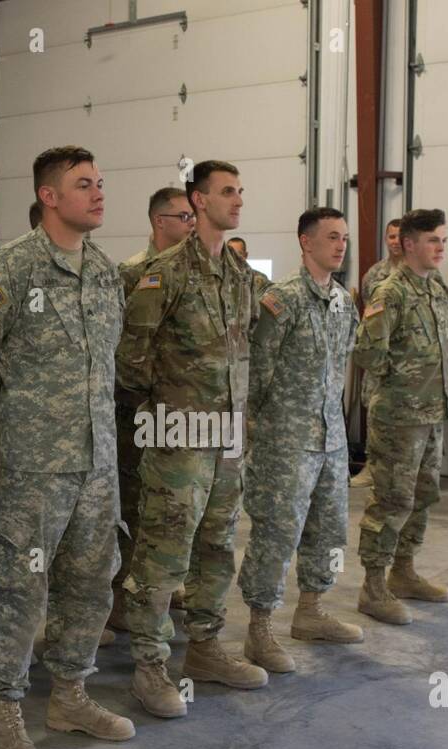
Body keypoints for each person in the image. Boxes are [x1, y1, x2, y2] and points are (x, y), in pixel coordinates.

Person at [0, 145, 133, 749]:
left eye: (100, 183)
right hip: (32, 466)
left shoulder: (105, 273)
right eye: (85, 184)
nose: (99, 193)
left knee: (90, 579)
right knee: (18, 586)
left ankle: (71, 697)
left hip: (97, 464)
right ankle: (5, 715)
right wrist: (19, 410)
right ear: (49, 196)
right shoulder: (10, 269)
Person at [116, 159, 264, 719]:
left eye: (240, 191)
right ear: (198, 201)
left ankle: (204, 648)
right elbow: (130, 358)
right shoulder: (164, 274)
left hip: (227, 438)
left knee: (217, 546)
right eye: (228, 192)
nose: (238, 200)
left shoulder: (238, 273)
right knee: (162, 553)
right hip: (178, 436)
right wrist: (167, 408)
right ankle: (150, 667)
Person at [238, 207, 363, 672]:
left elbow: (343, 364)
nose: (341, 245)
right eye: (332, 237)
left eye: (345, 237)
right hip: (285, 441)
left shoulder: (342, 302)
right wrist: (260, 431)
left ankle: (311, 611)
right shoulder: (282, 299)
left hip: (331, 440)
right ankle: (259, 630)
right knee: (276, 532)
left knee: (329, 530)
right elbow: (258, 371)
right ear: (305, 242)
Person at [353, 208, 448, 625]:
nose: (440, 248)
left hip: (433, 413)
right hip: (399, 416)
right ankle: (373, 587)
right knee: (391, 500)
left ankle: (404, 571)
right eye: (433, 241)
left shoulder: (437, 288)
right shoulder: (390, 293)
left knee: (423, 495)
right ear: (410, 244)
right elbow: (367, 352)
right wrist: (402, 382)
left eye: (443, 241)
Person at [109, 186, 196, 635]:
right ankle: (122, 593)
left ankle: (158, 585)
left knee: (168, 508)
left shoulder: (195, 273)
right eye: (183, 217)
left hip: (177, 416)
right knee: (130, 505)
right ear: (159, 221)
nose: (191, 224)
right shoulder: (129, 274)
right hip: (133, 411)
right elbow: (119, 347)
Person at [351, 218, 403, 489]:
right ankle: (372, 467)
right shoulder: (374, 275)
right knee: (374, 409)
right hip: (379, 357)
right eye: (390, 236)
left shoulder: (418, 272)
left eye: (399, 236)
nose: (395, 241)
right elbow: (368, 316)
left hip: (407, 359)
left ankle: (403, 471)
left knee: (406, 414)